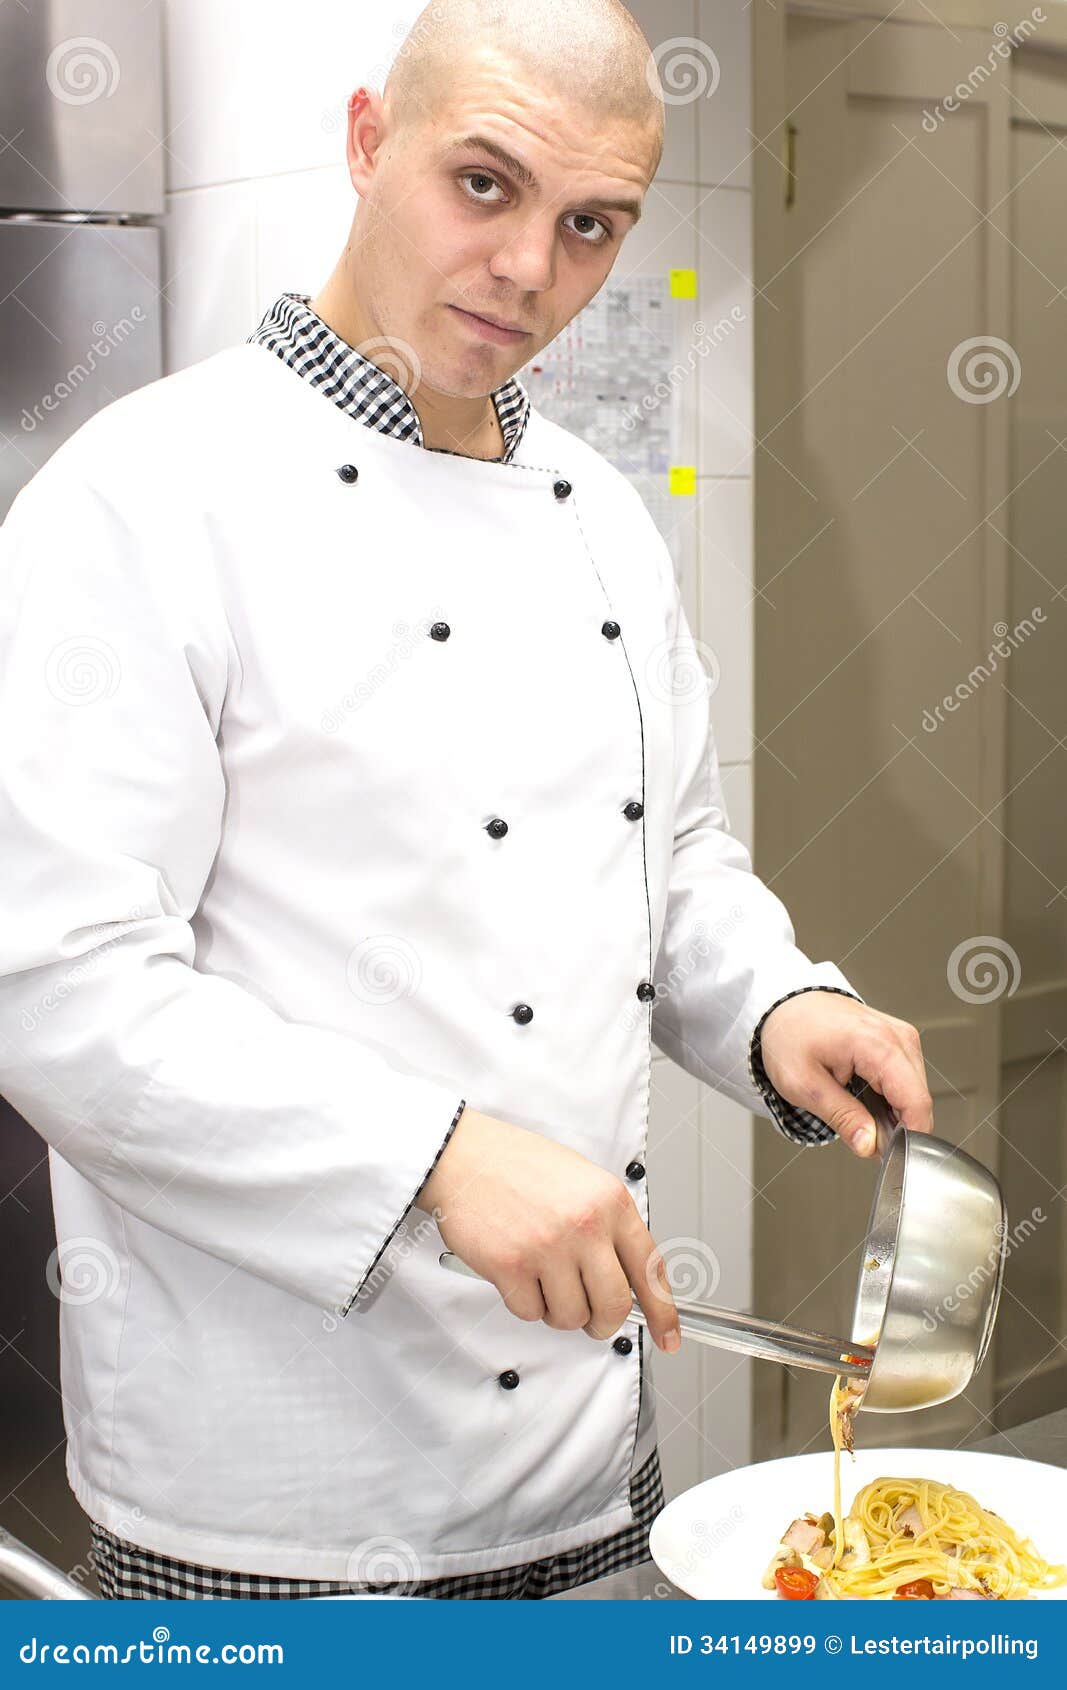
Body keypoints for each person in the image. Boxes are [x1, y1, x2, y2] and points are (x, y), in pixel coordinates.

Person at [0, 0, 933, 1599]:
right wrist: (434, 1154)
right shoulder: (142, 496)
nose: (527, 270)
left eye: (592, 226)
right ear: (369, 142)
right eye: (483, 185)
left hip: (588, 1468)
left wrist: (778, 1003)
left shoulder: (603, 517)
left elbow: (670, 855)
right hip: (276, 1496)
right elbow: (51, 981)